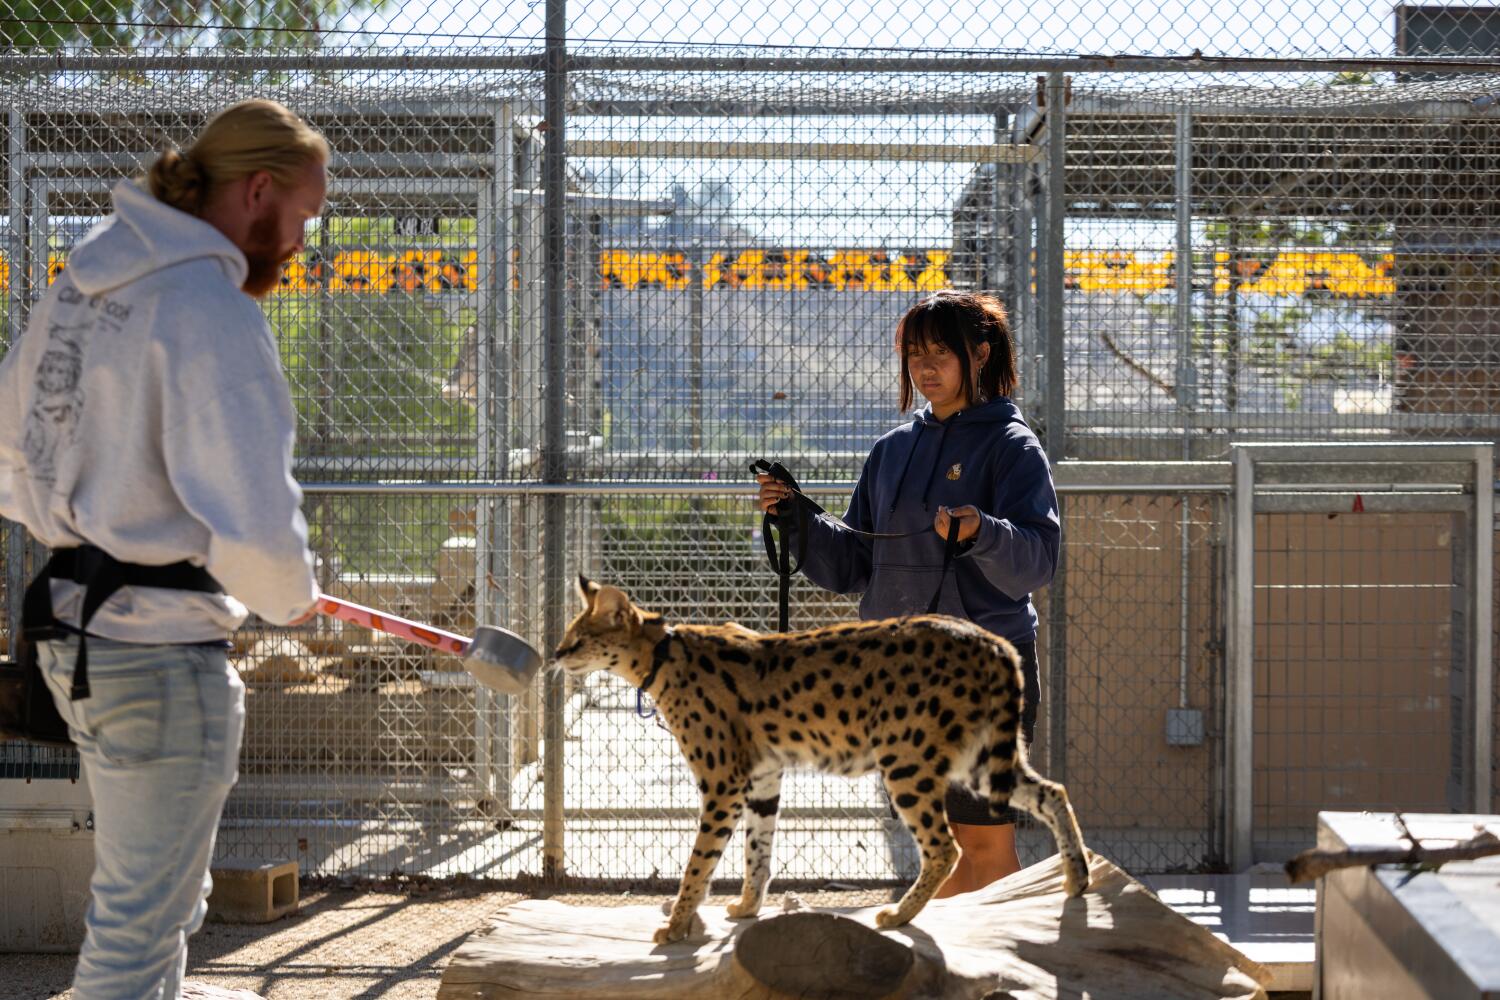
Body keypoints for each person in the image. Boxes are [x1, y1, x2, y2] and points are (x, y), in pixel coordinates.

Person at [0, 99, 328, 998]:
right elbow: (255, 517)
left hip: (72, 635)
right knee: (139, 936)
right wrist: (290, 594)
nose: (302, 241)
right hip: (157, 652)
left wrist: (89, 523)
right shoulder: (209, 311)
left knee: (157, 905)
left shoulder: (85, 287)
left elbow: (10, 442)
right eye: (302, 215)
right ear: (257, 190)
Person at [756, 289, 1059, 897]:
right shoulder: (892, 451)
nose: (925, 367)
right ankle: (946, 958)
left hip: (979, 674)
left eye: (941, 352)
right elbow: (853, 565)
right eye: (915, 354)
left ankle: (1009, 955)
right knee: (938, 845)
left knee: (984, 842)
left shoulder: (1012, 446)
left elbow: (1038, 560)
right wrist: (796, 519)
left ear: (980, 354)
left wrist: (982, 531)